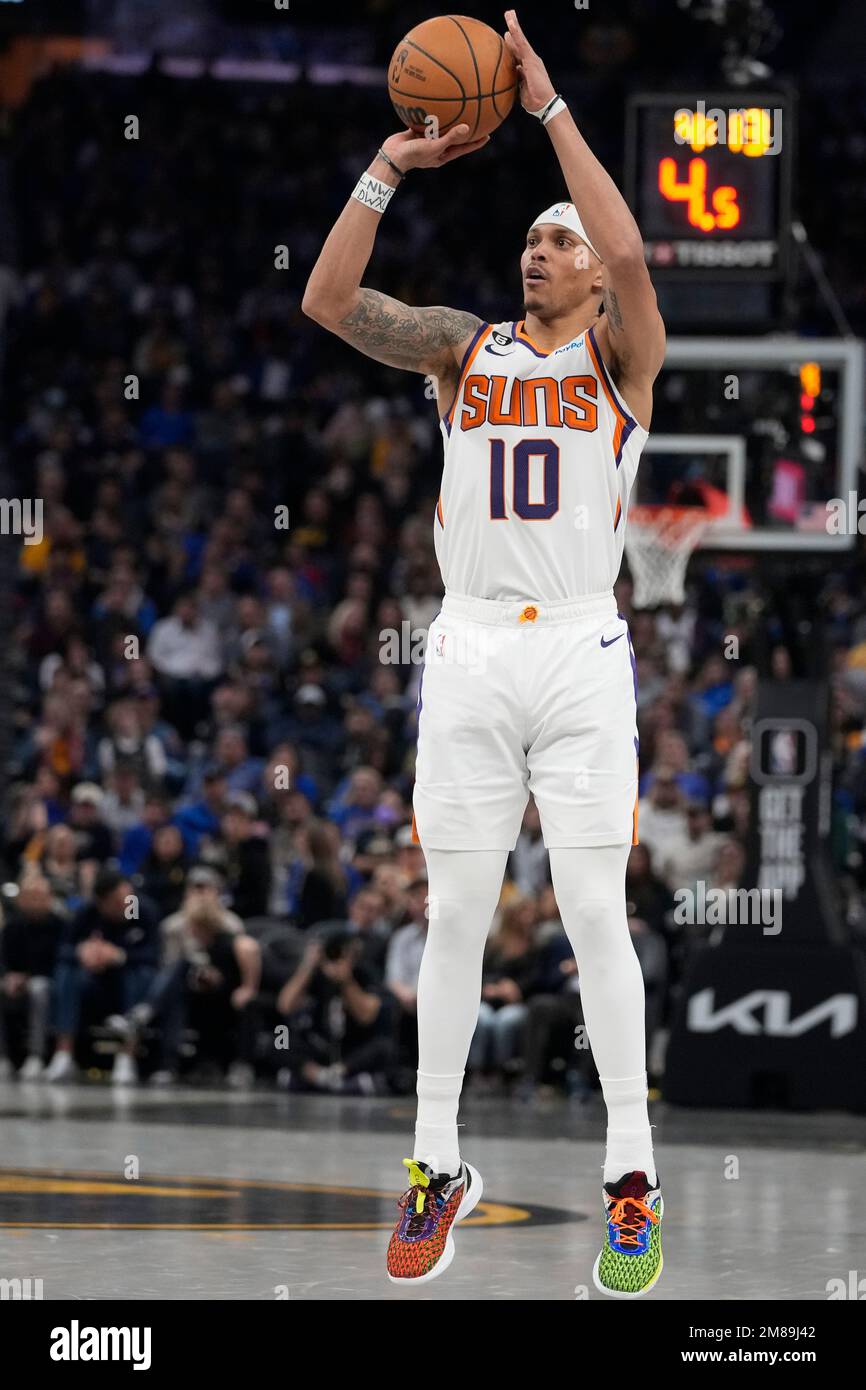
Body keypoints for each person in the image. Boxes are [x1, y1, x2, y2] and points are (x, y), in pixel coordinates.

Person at [303, 9, 666, 1295]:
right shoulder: (461, 349)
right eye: (528, 237)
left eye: (552, 240)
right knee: (452, 915)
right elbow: (331, 299)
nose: (541, 250)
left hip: (578, 650)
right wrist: (388, 169)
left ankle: (629, 1175)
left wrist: (552, 106)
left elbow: (625, 245)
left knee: (590, 917)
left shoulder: (624, 357)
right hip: (465, 647)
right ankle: (433, 1167)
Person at [45, 867, 160, 1085]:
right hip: (95, 983)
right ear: (102, 902)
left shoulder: (133, 909)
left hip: (128, 981)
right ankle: (64, 1052)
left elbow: (151, 954)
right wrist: (82, 952)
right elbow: (63, 949)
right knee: (66, 971)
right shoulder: (88, 911)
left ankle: (127, 1054)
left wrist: (119, 955)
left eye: (127, 897)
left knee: (138, 973)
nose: (125, 903)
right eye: (117, 901)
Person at [0, 874, 65, 1079]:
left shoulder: (60, 925)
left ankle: (36, 1055)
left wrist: (27, 977)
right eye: (30, 896)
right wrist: (8, 976)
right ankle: (3, 1057)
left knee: (38, 988)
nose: (35, 902)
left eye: (40, 896)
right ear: (21, 900)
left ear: (49, 898)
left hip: (48, 982)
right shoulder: (12, 927)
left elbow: (61, 962)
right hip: (16, 981)